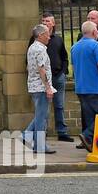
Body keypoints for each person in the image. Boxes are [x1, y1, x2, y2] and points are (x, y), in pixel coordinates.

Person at [70, 21, 98, 151]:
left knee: (90, 119)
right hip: (97, 88)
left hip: (81, 88)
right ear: (95, 32)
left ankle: (93, 144)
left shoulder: (74, 47)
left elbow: (74, 67)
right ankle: (87, 135)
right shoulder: (96, 45)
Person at [32, 14, 72, 143]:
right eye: (43, 21)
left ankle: (62, 131)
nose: (45, 22)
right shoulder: (37, 43)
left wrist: (63, 71)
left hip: (57, 76)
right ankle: (42, 132)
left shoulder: (58, 39)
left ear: (53, 24)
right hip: (43, 80)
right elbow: (36, 64)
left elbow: (64, 57)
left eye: (47, 21)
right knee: (43, 109)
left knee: (59, 105)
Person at [24, 24, 57, 154]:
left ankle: (26, 135)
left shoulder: (32, 47)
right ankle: (39, 146)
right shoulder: (40, 49)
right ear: (40, 35)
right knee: (41, 118)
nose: (49, 37)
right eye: (47, 34)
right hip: (41, 87)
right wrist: (48, 88)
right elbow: (41, 69)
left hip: (34, 86)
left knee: (41, 115)